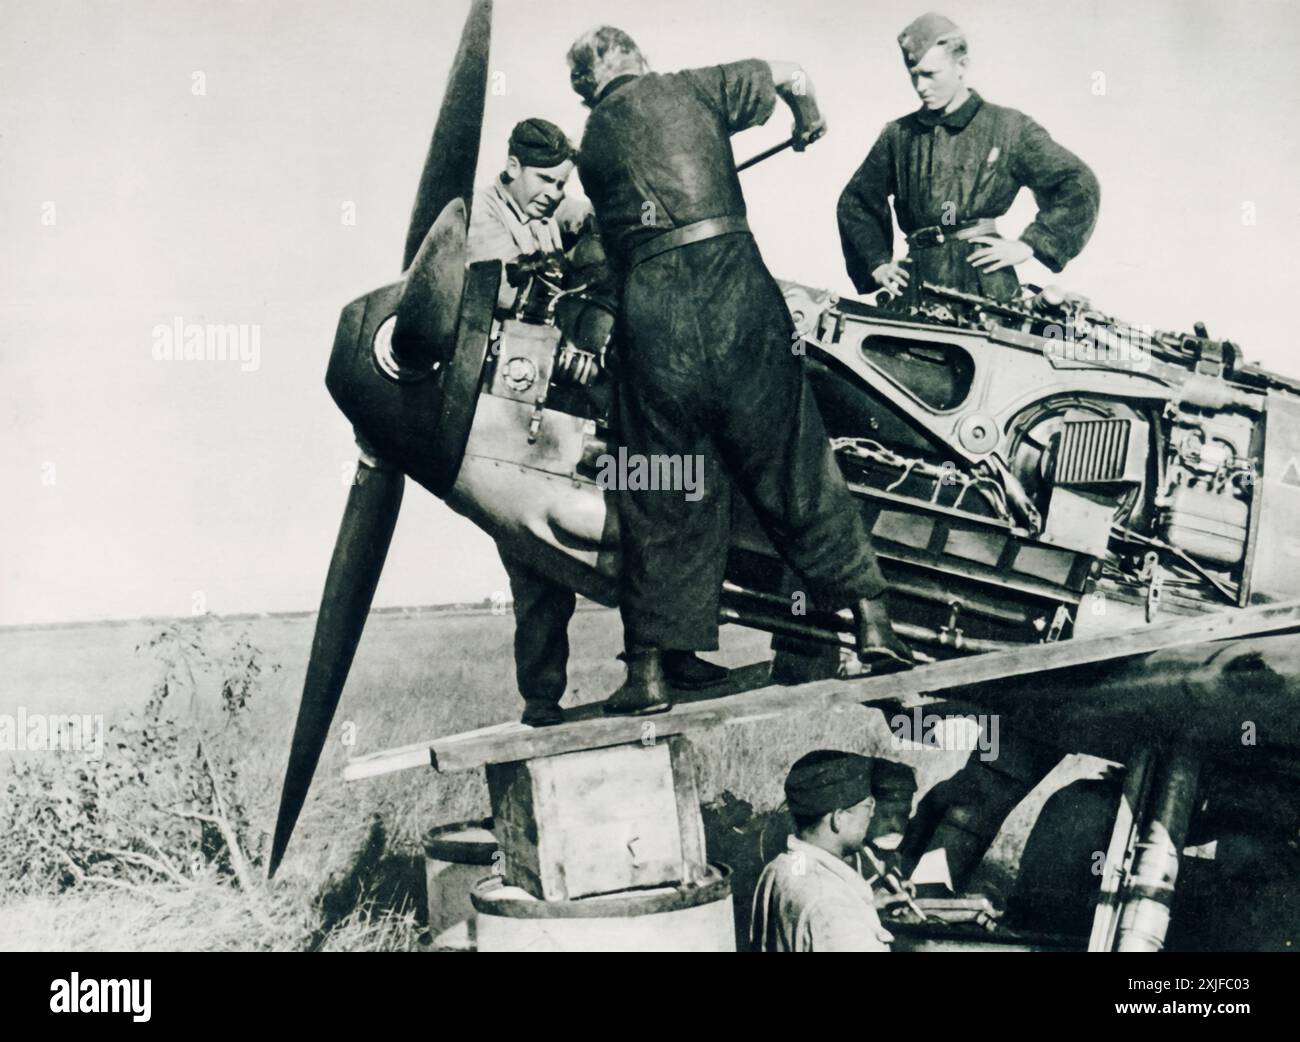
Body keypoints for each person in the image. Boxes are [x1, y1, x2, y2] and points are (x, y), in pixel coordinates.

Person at [567, 27, 913, 717]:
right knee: (796, 466)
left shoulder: (591, 149)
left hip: (656, 322)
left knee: (660, 488)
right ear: (638, 57)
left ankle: (649, 676)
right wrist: (808, 119)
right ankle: (874, 627)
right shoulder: (691, 86)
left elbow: (604, 253)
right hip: (741, 302)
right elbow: (793, 74)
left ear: (586, 88)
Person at [466, 118, 728, 726]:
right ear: (513, 166)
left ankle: (672, 656)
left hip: (583, 407)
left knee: (653, 503)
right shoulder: (480, 217)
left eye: (563, 182)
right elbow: (499, 291)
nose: (555, 192)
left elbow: (599, 220)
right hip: (521, 425)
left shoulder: (556, 208)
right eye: (546, 180)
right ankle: (540, 701)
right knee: (534, 568)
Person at [837, 12, 1100, 302]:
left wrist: (1032, 244)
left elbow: (1078, 182)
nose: (921, 87)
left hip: (984, 286)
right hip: (916, 286)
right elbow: (856, 201)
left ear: (961, 65)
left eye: (930, 74)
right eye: (915, 76)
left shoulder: (1008, 127)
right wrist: (877, 263)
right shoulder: (899, 135)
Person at [751, 750, 896, 952]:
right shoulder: (832, 908)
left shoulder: (779, 868)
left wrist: (863, 905)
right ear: (839, 818)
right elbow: (829, 917)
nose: (872, 814)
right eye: (868, 805)